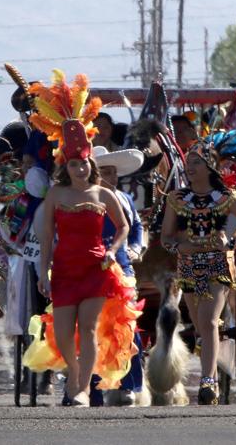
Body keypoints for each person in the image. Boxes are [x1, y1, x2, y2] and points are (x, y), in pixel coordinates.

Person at [20, 70, 141, 407]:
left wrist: (114, 251)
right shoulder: (55, 196)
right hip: (63, 270)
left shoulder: (104, 194)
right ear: (66, 165)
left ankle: (82, 388)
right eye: (74, 164)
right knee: (61, 333)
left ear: (90, 163)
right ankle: (74, 377)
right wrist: (43, 272)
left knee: (87, 330)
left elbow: (124, 228)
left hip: (95, 269)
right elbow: (46, 239)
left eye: (84, 164)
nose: (80, 169)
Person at [161, 140, 236, 405]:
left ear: (210, 167)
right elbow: (165, 238)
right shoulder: (176, 199)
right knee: (200, 328)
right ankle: (213, 374)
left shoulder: (225, 197)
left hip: (217, 264)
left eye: (197, 162)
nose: (190, 166)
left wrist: (232, 243)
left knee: (208, 322)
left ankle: (208, 382)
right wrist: (178, 246)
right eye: (189, 162)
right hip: (188, 267)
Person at [91, 145, 145, 406]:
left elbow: (136, 227)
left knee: (127, 327)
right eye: (105, 172)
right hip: (90, 267)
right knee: (93, 329)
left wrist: (135, 247)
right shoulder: (86, 199)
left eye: (113, 172)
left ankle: (130, 384)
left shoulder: (125, 199)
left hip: (122, 268)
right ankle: (93, 388)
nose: (111, 177)